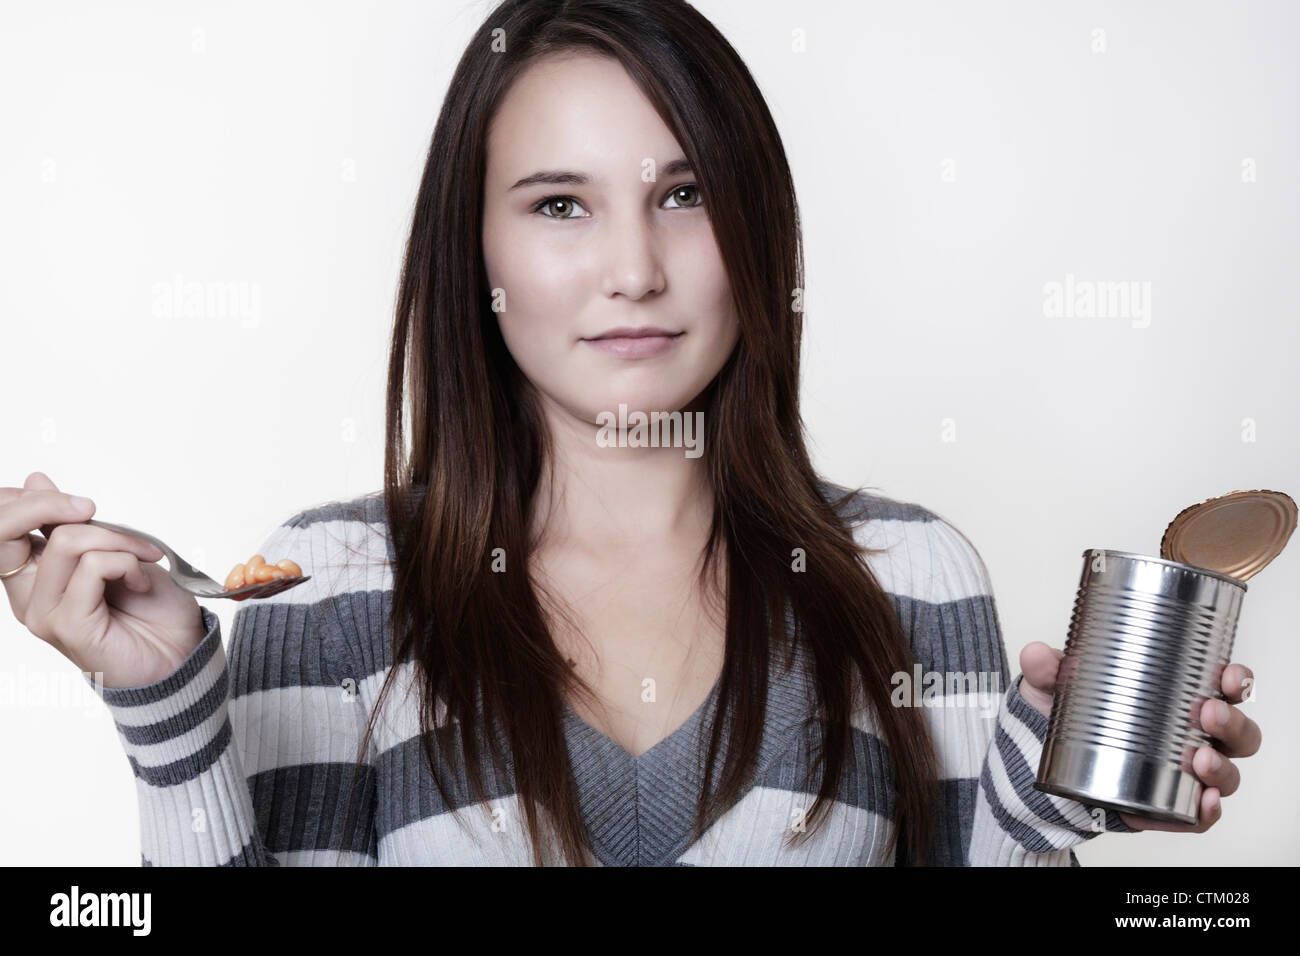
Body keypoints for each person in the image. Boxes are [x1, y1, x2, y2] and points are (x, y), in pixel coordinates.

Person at [0, 0, 1259, 866]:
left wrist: (1051, 799)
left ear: (754, 225)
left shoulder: (910, 573)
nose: (633, 269)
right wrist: (165, 699)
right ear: (475, 248)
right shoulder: (327, 584)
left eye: (684, 193)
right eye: (559, 204)